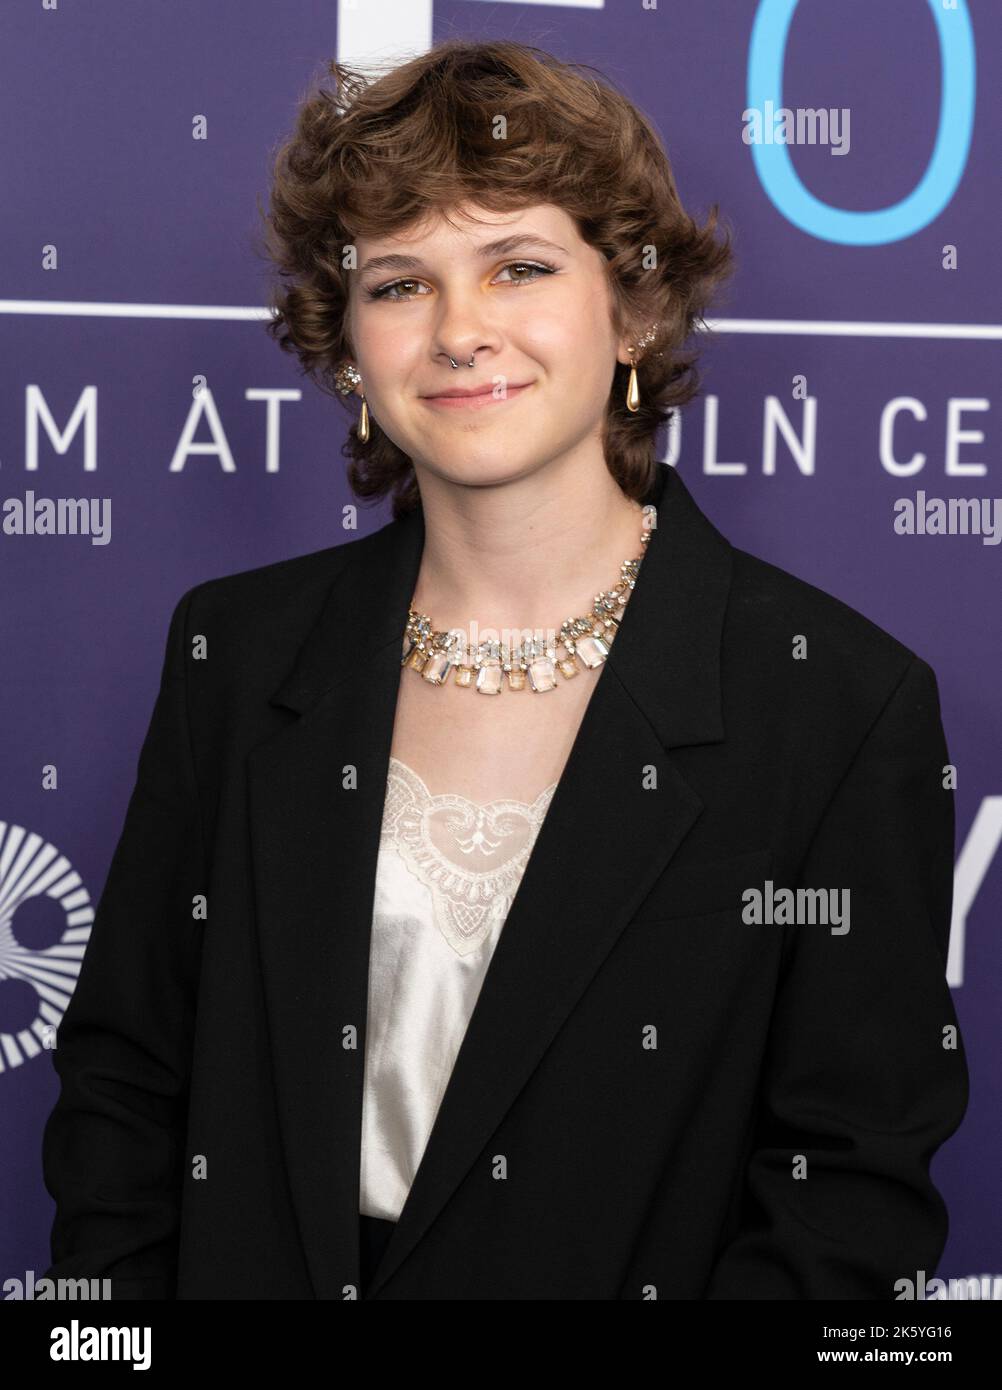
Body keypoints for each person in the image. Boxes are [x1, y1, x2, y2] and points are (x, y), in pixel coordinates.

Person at [42, 38, 968, 1300]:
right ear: (347, 341)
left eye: (519, 265)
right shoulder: (236, 654)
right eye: (400, 283)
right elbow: (126, 1088)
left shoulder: (838, 706)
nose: (460, 331)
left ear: (634, 308)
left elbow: (848, 1190)